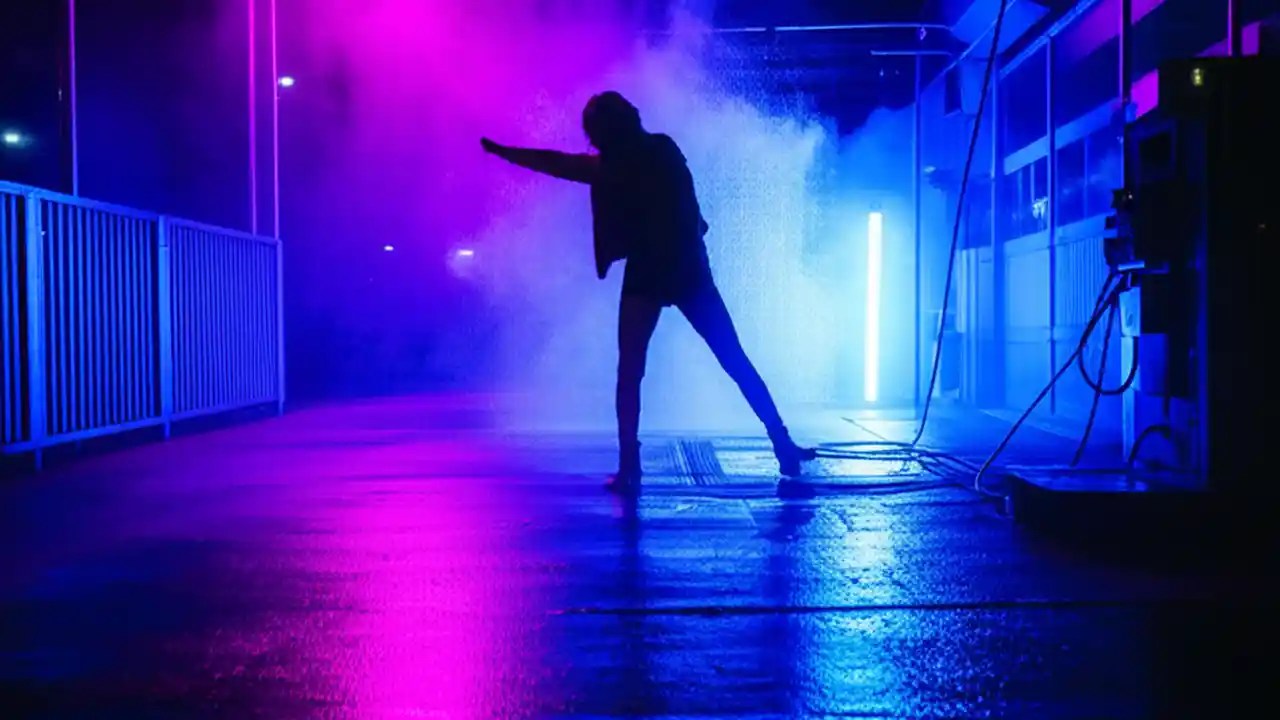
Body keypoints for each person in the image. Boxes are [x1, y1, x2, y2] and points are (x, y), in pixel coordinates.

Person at [481, 91, 813, 491]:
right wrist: (507, 153)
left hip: (663, 270)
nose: (593, 141)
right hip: (684, 269)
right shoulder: (654, 152)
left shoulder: (620, 164)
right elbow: (563, 164)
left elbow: (560, 164)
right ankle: (780, 441)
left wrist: (506, 153)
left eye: (595, 132)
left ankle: (630, 466)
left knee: (634, 371)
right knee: (727, 358)